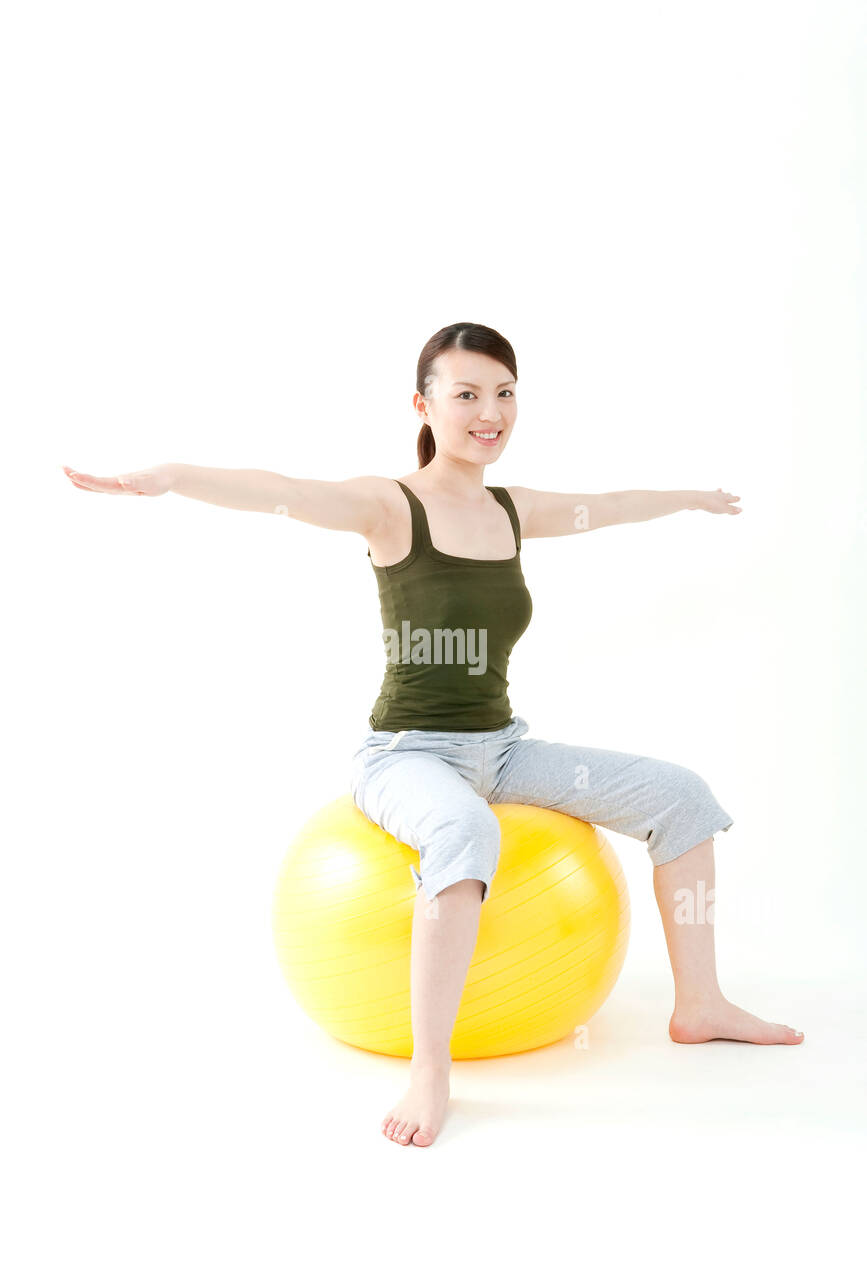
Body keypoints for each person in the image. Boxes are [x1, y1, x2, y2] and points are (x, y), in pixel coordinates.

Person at [62, 319, 804, 1150]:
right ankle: (430, 1069)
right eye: (466, 395)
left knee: (680, 795)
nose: (489, 412)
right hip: (406, 754)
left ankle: (698, 1005)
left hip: (503, 748)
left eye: (504, 393)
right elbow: (279, 488)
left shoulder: (511, 511)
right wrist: (167, 478)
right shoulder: (389, 505)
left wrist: (691, 499)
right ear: (424, 404)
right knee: (461, 830)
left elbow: (611, 507)